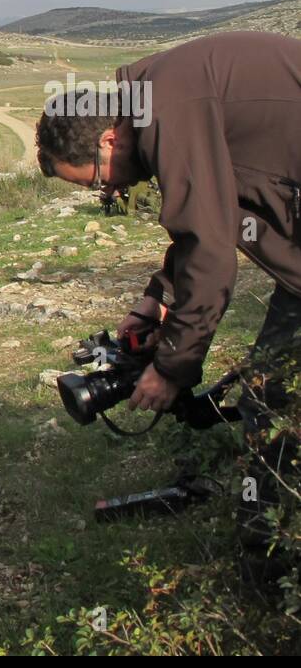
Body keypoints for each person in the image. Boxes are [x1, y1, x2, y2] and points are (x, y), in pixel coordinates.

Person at [35, 31, 301, 580]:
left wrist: (172, 370)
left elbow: (211, 254)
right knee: (273, 388)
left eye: (96, 181)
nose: (107, 193)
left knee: (270, 398)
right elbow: (209, 218)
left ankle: (271, 574)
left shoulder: (167, 109)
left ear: (109, 140)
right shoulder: (161, 95)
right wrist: (155, 302)